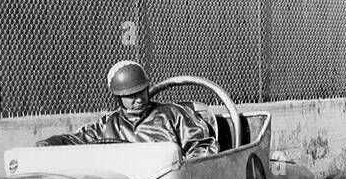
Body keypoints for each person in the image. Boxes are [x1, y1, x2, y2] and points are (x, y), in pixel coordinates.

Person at [36, 61, 216, 154]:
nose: (138, 99)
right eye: (131, 95)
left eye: (142, 92)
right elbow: (75, 140)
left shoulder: (174, 115)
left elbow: (202, 148)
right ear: (118, 98)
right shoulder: (107, 125)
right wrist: (46, 145)